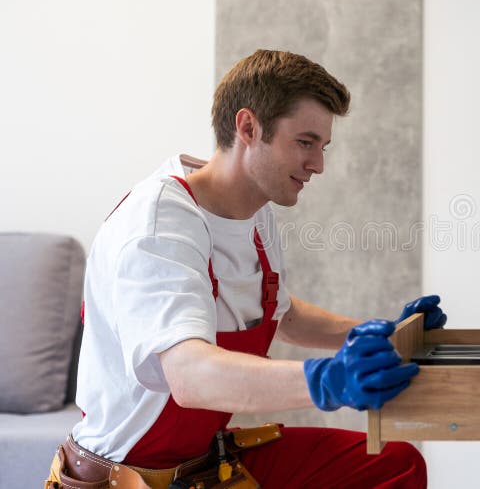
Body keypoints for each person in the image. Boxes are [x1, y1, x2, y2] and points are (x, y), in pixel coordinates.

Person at [46, 50, 446, 489]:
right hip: (130, 475)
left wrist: (383, 332)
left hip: (200, 462)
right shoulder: (159, 226)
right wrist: (329, 380)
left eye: (322, 147)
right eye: (305, 143)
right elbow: (190, 376)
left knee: (396, 465)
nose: (318, 165)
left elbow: (282, 314)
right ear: (249, 128)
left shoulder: (253, 212)